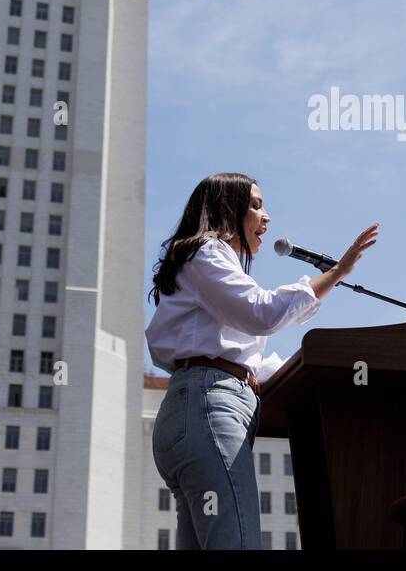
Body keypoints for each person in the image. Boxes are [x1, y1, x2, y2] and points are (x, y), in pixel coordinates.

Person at [146, 172, 379, 549]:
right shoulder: (207, 251)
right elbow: (263, 312)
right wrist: (335, 274)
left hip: (192, 409)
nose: (266, 216)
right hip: (208, 409)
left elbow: (243, 357)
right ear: (227, 208)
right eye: (255, 205)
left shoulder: (201, 263)